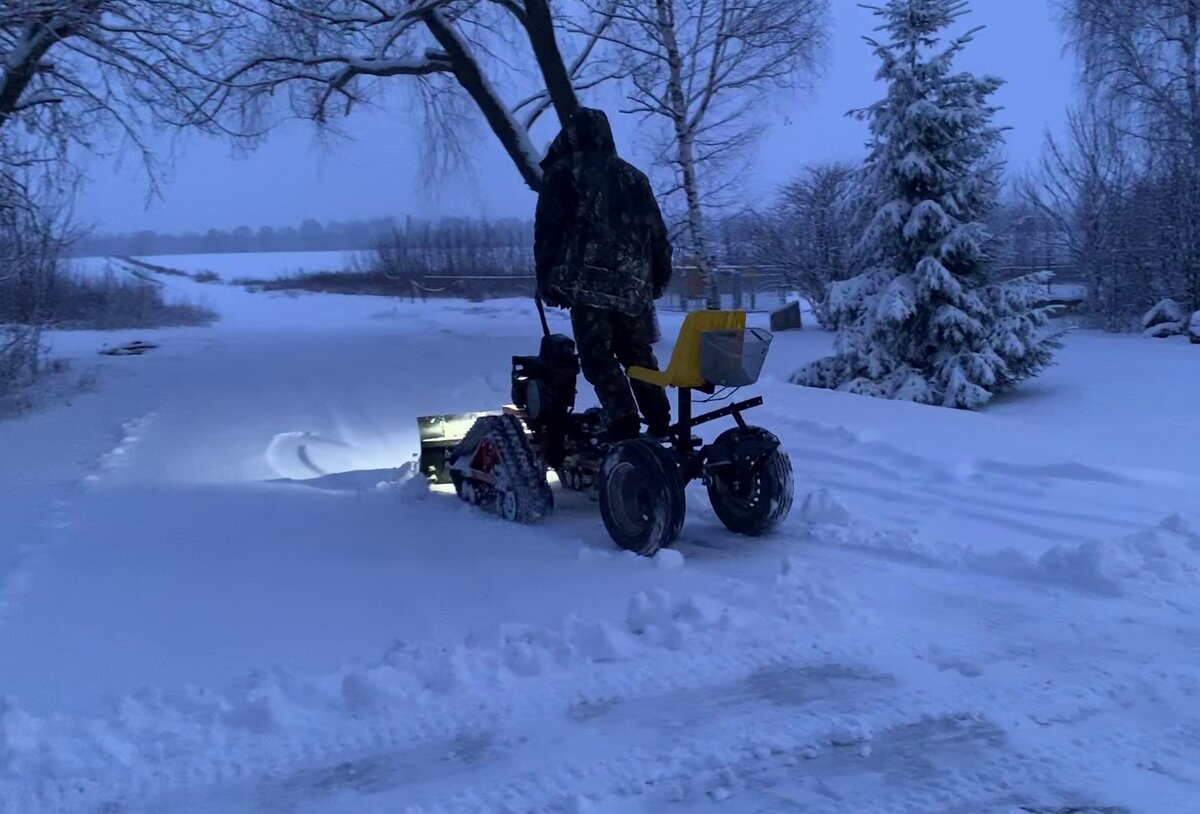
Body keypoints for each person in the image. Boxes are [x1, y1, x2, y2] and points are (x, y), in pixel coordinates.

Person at [534, 107, 673, 442]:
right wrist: (657, 279)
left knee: (598, 355)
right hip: (631, 284)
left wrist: (546, 279)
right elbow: (657, 234)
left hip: (587, 283)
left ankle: (624, 421)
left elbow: (548, 231)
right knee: (636, 352)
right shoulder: (634, 177)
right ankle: (659, 418)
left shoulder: (563, 172)